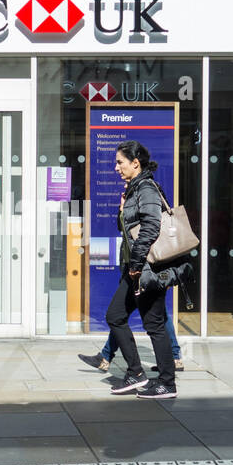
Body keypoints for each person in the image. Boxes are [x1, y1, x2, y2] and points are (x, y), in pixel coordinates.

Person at [103, 140, 177, 399]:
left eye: (120, 162)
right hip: (135, 267)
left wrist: (136, 266)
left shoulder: (145, 188)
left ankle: (167, 383)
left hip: (145, 268)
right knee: (115, 316)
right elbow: (124, 229)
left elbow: (151, 228)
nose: (116, 167)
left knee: (154, 324)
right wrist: (122, 209)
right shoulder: (133, 190)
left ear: (136, 163)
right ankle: (136, 373)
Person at [79, 311, 185, 373]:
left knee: (119, 314)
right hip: (143, 278)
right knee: (160, 312)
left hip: (140, 279)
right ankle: (174, 359)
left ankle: (105, 358)